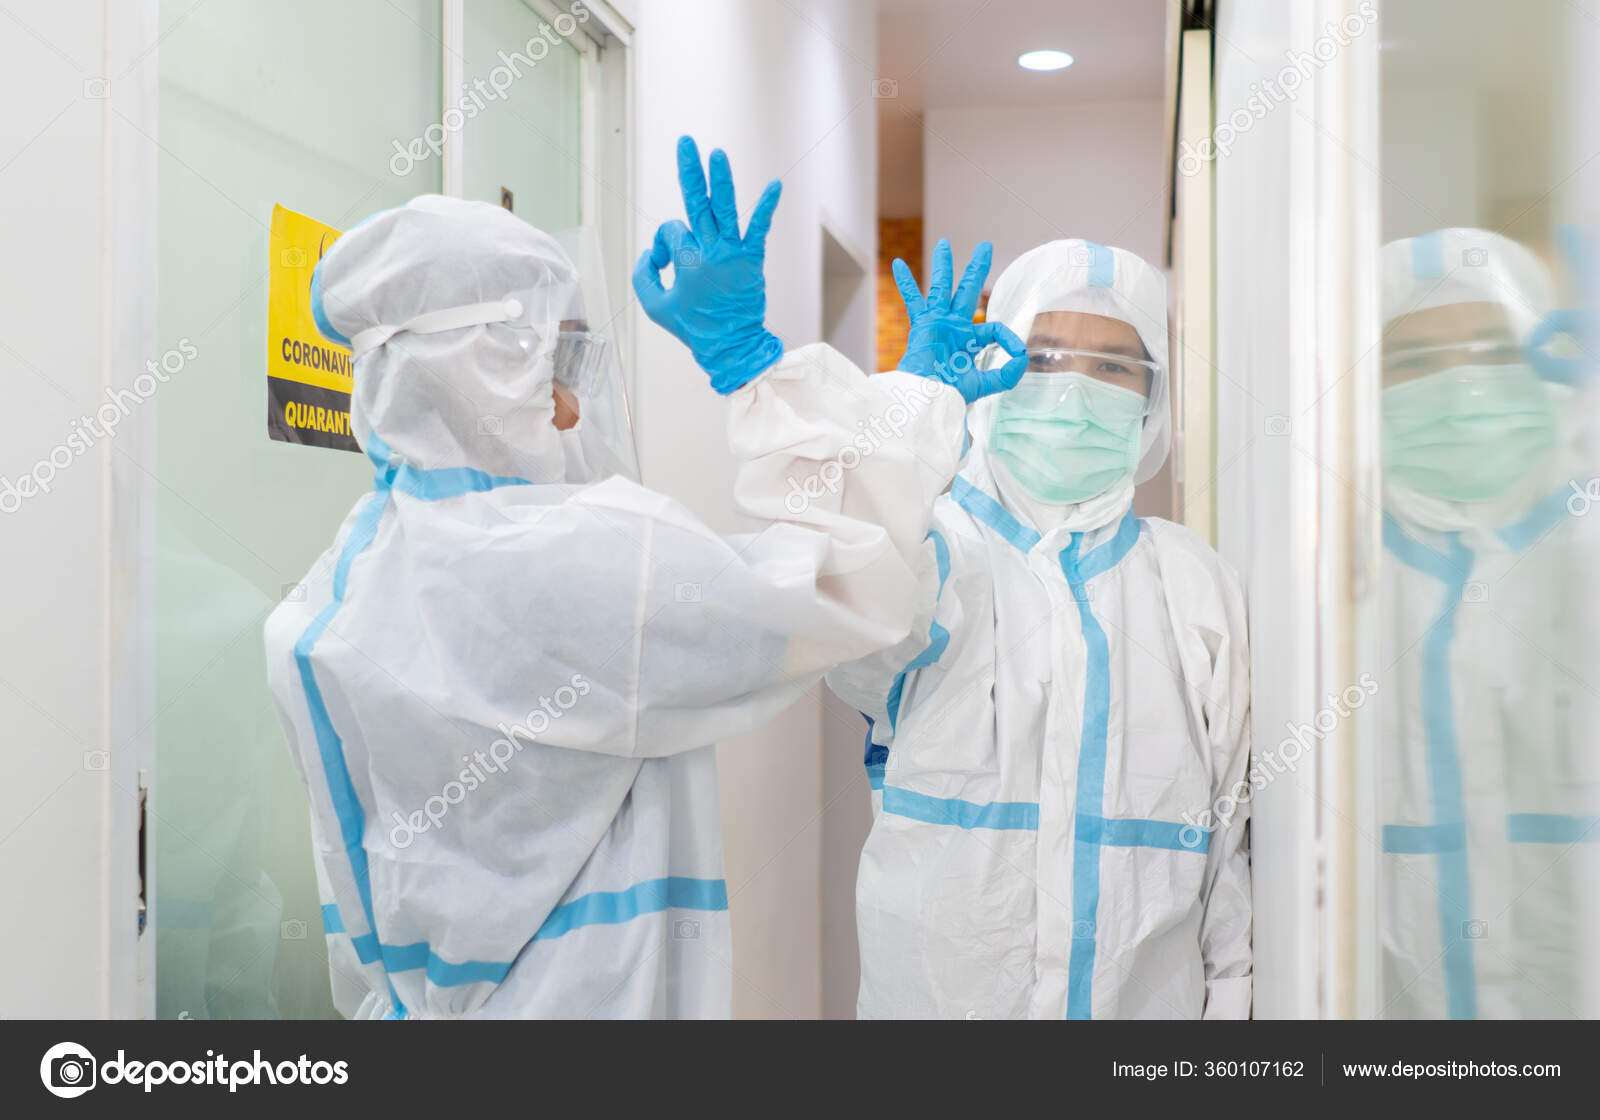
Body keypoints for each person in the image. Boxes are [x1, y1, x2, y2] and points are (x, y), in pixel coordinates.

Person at [262, 138, 993, 1018]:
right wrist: (883, 398)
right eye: (551, 364)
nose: (571, 405)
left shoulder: (336, 583)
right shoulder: (590, 557)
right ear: (481, 363)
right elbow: (845, 587)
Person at [825, 237, 1253, 1019]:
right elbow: (849, 623)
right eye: (1044, 357)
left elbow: (1232, 844)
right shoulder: (940, 548)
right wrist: (909, 428)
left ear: (1153, 397)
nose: (1075, 390)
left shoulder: (1191, 584)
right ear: (995, 375)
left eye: (1114, 367)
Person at [1376, 226, 1597, 1018]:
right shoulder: (1340, 584)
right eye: (1414, 364)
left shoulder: (1582, 542)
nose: (1460, 388)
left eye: (1493, 352)